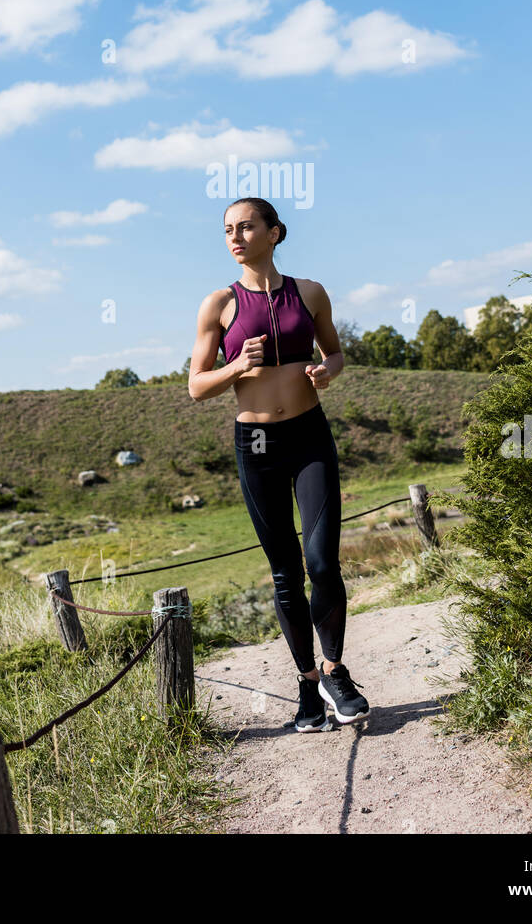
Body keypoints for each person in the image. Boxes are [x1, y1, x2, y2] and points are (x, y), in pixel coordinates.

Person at [188, 196, 370, 731]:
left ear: (275, 232)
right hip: (257, 444)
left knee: (322, 562)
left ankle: (336, 671)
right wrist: (236, 366)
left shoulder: (309, 293)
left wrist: (326, 372)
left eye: (246, 226)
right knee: (286, 573)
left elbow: (334, 353)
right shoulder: (218, 304)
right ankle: (307, 689)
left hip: (310, 435)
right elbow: (197, 386)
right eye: (227, 230)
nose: (235, 237)